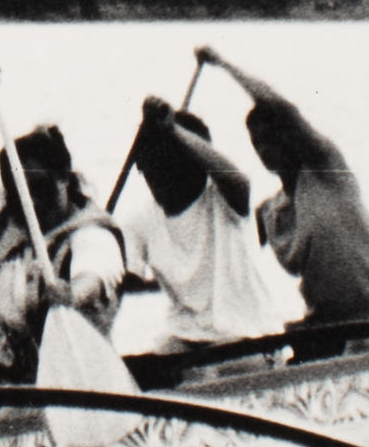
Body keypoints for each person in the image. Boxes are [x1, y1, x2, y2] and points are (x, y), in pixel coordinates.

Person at [196, 48, 369, 359]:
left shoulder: (328, 170)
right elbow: (225, 251)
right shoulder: (270, 212)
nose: (264, 149)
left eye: (271, 138)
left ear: (291, 137)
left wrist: (225, 65)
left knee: (360, 349)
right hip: (326, 326)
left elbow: (279, 107)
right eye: (256, 142)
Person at [0, 65, 133, 389]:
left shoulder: (93, 234)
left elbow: (92, 278)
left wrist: (70, 293)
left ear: (64, 176)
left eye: (39, 186)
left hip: (65, 382)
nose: (30, 202)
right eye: (17, 188)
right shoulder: (0, 211)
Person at [114, 94, 292, 356]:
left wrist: (172, 128)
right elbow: (129, 281)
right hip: (184, 336)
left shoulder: (225, 200)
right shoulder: (139, 223)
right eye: (147, 168)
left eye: (167, 164)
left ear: (198, 164)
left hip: (245, 331)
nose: (156, 177)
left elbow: (237, 179)